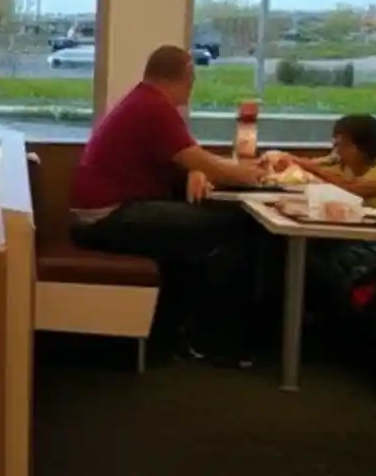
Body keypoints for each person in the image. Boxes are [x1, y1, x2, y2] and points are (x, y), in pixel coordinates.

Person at [70, 45, 268, 366]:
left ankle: (181, 331)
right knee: (235, 227)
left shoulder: (144, 100)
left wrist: (197, 170)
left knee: (203, 229)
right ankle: (217, 341)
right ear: (188, 74)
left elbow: (189, 157)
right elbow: (206, 162)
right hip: (108, 216)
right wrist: (256, 174)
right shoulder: (154, 108)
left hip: (105, 211)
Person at [272, 115, 376, 296]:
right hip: (351, 233)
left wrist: (311, 168)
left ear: (362, 148)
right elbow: (310, 163)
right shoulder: (339, 162)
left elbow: (354, 190)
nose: (337, 150)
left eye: (342, 145)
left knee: (330, 262)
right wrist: (286, 160)